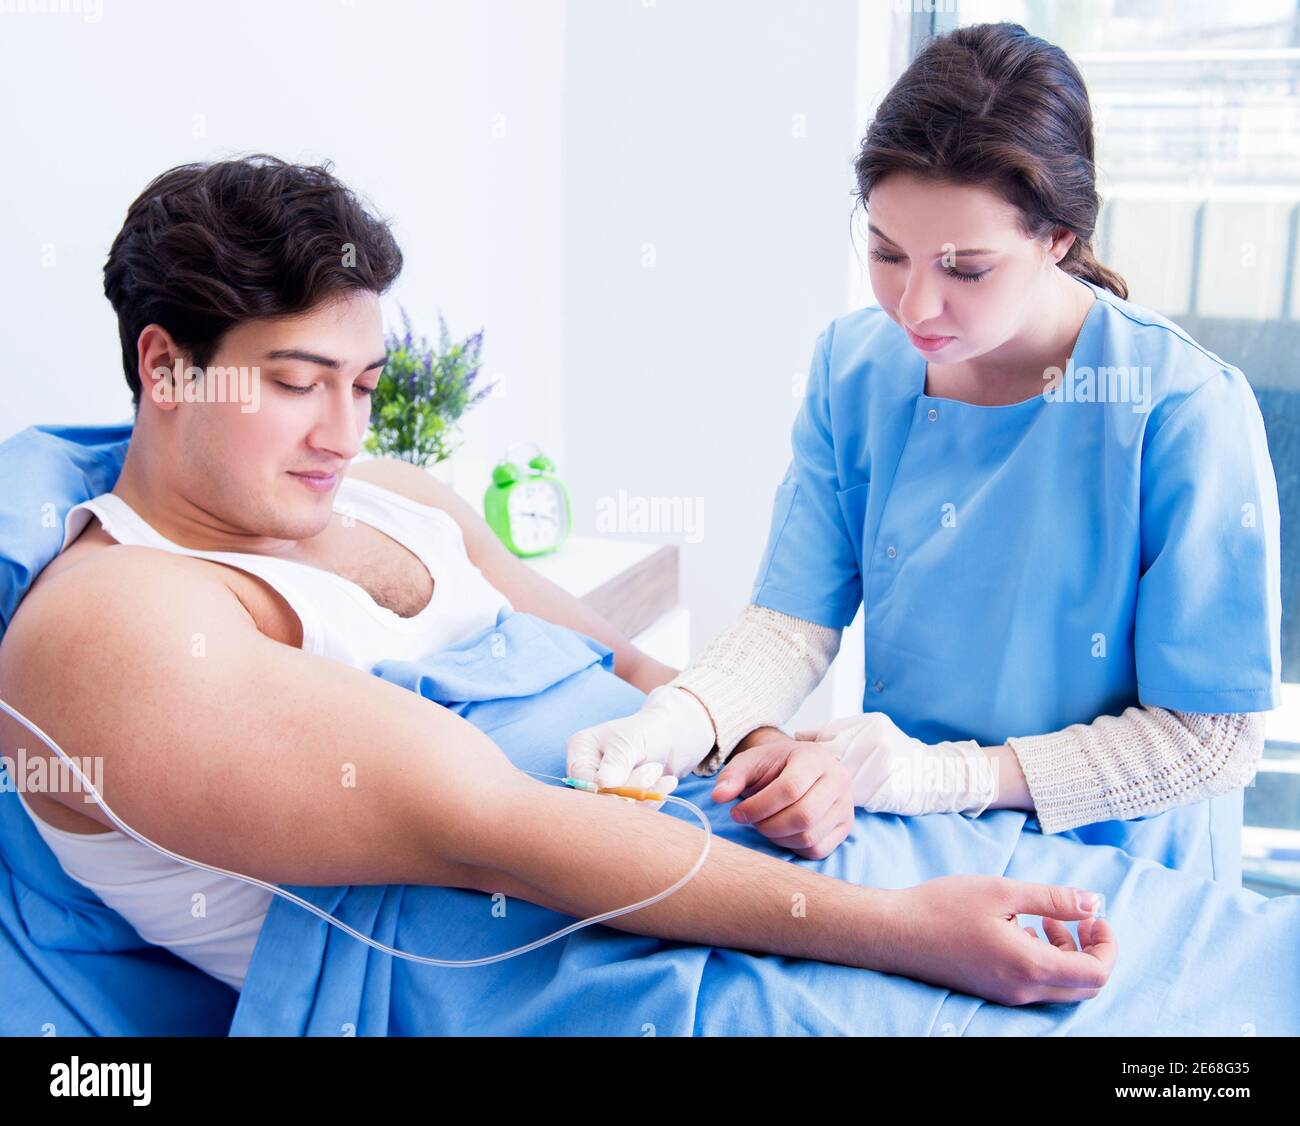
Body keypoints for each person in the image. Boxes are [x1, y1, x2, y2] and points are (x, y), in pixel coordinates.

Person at [0, 153, 1113, 1006]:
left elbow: (628, 664)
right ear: (163, 366)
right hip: (574, 973)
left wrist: (751, 742)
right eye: (298, 384)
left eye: (366, 384)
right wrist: (903, 926)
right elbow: (494, 828)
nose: (342, 432)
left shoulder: (392, 496)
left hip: (717, 858)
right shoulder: (122, 621)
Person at [568, 22, 1281, 877]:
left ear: (1058, 238)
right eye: (886, 253)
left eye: (965, 270)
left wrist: (951, 775)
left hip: (1117, 867)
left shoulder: (1181, 408)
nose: (915, 308)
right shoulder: (855, 369)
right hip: (921, 851)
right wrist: (673, 722)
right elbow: (792, 626)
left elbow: (1209, 742)